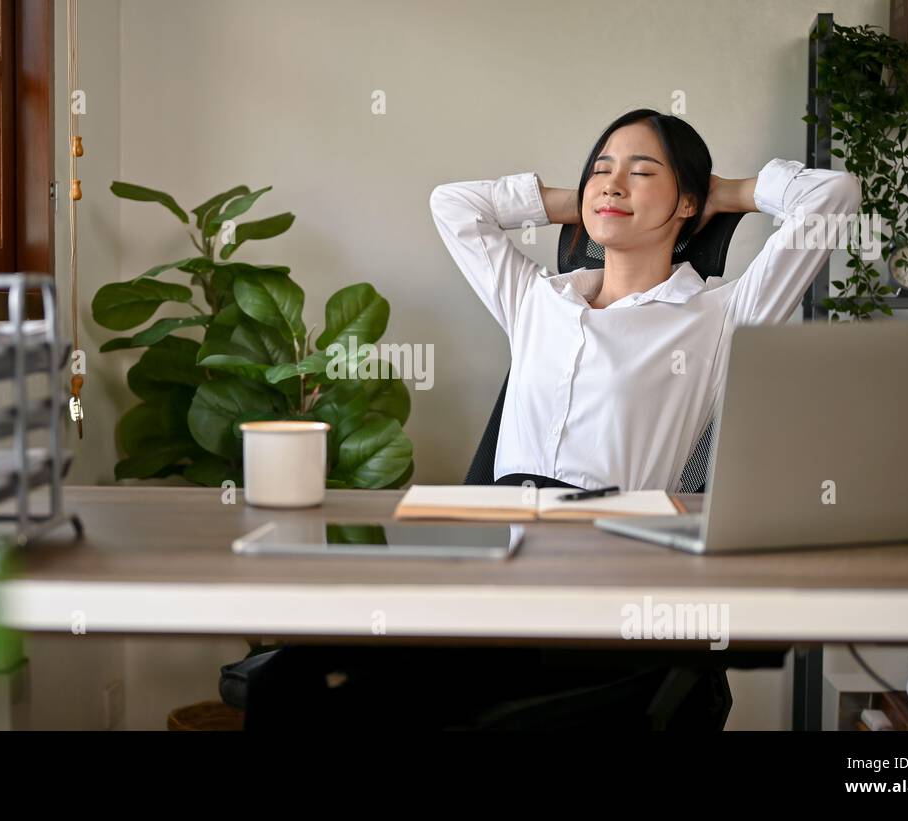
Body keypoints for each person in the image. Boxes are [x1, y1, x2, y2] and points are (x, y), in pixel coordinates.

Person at [241, 108, 862, 731]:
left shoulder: (718, 315)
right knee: (292, 682)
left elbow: (832, 198)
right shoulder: (539, 298)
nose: (614, 183)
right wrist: (584, 201)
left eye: (643, 172)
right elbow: (454, 204)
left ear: (686, 204)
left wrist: (726, 193)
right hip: (490, 575)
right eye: (602, 169)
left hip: (605, 588)